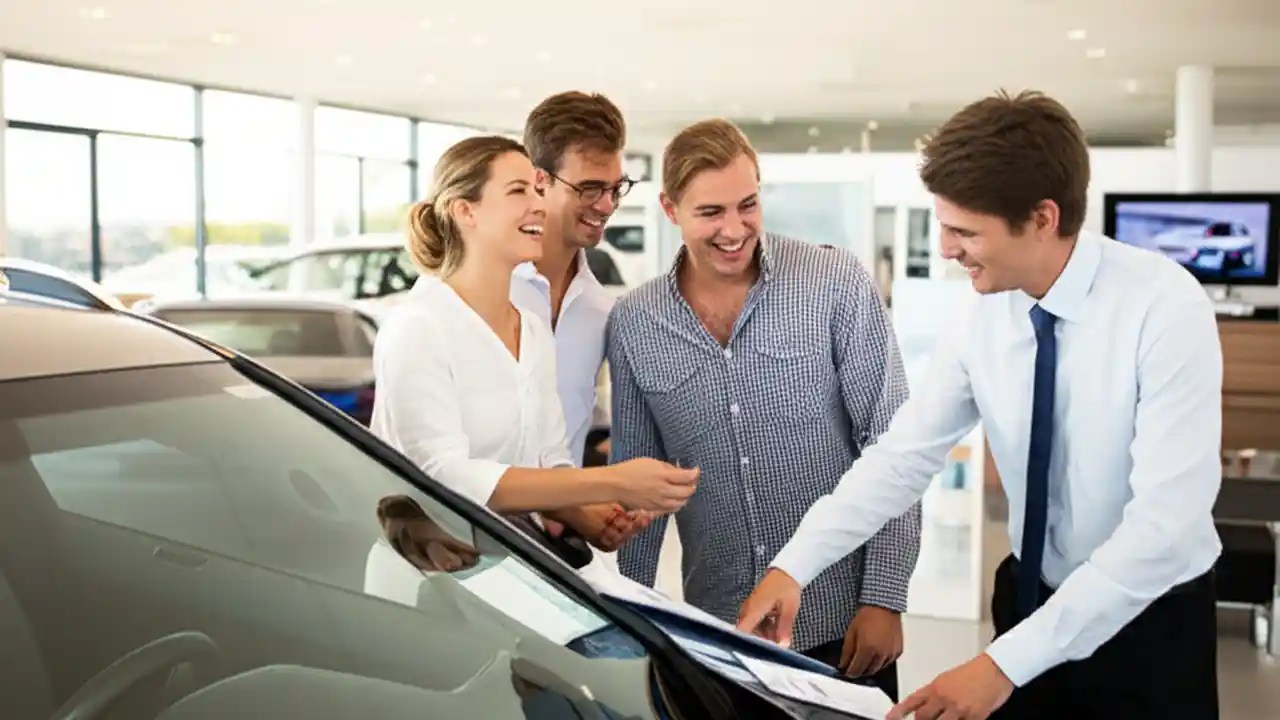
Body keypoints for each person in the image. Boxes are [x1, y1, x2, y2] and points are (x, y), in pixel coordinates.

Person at [737, 90, 1223, 720]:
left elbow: (1163, 530)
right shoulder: (981, 308)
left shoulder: (1164, 308)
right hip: (1029, 596)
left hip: (1149, 618)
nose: (944, 248)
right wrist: (793, 567)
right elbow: (903, 457)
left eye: (964, 231)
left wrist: (1001, 664)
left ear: (1043, 218)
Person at [606, 118, 921, 701]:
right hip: (724, 638)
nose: (735, 229)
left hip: (843, 623)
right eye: (711, 213)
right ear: (670, 209)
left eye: (747, 204)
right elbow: (639, 487)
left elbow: (893, 444)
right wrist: (629, 624)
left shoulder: (834, 282)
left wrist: (884, 595)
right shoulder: (634, 322)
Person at [368, 135, 698, 562]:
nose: (539, 204)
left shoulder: (532, 329)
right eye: (518, 191)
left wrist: (584, 515)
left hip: (510, 574)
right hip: (426, 582)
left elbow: (550, 462)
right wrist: (611, 482)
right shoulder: (418, 327)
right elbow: (443, 475)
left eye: (538, 190)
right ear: (464, 210)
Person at [510, 91, 643, 552]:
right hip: (465, 545)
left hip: (557, 559)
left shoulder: (600, 309)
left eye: (615, 188)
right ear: (539, 181)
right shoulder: (484, 292)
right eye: (589, 188)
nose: (606, 205)